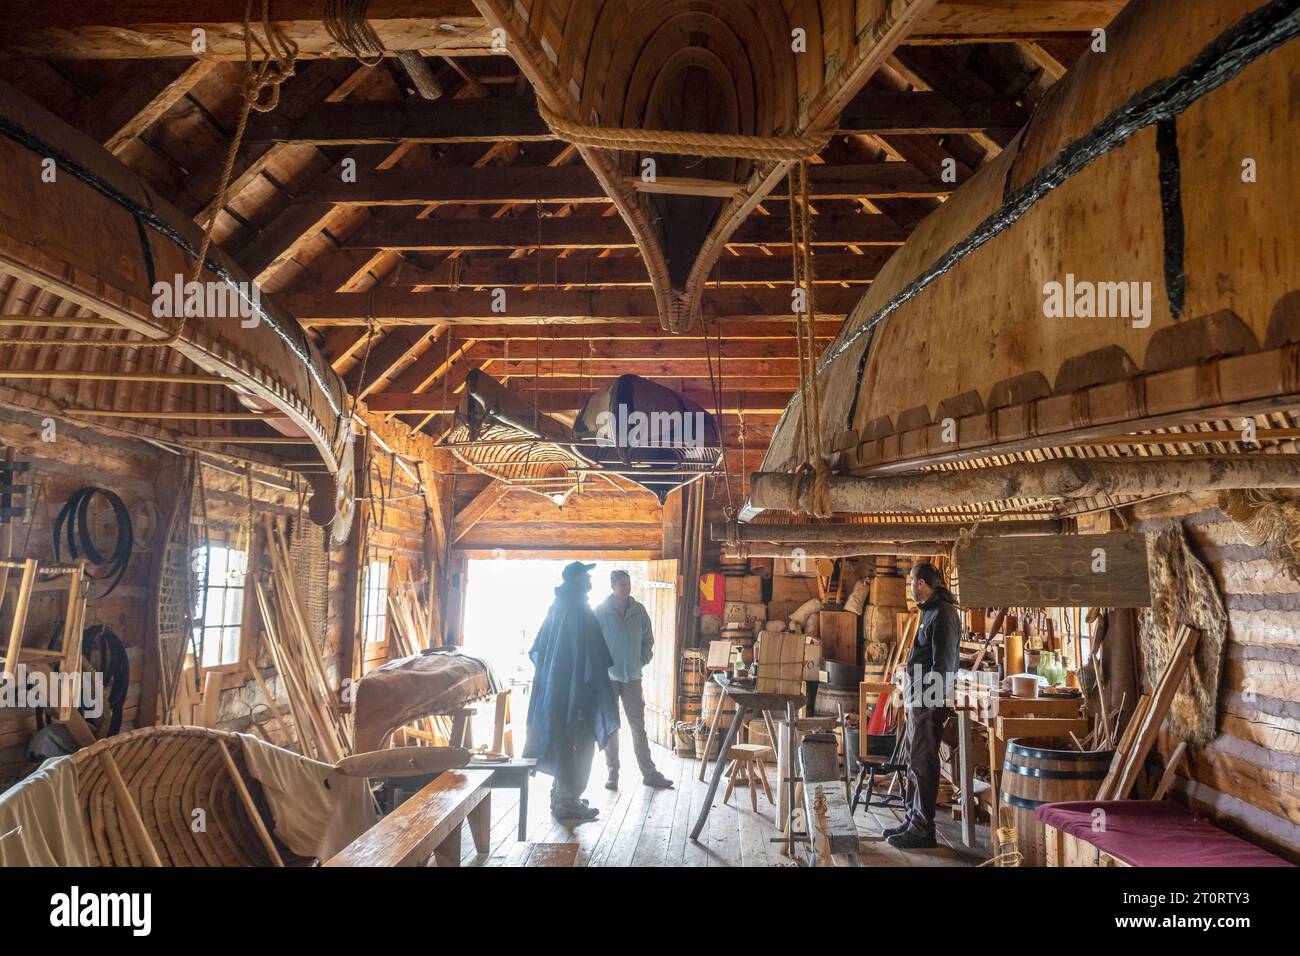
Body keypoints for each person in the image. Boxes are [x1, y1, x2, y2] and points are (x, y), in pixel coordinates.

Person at [522, 561, 621, 822]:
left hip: (558, 691)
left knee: (565, 740)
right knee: (580, 743)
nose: (590, 579)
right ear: (576, 579)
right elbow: (583, 657)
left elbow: (541, 651)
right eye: (586, 575)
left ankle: (562, 795)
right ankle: (568, 800)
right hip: (577, 693)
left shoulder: (557, 606)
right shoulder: (577, 609)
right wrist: (579, 694)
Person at [886, 561, 961, 849]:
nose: (909, 587)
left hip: (929, 701)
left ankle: (922, 829)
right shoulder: (931, 611)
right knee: (913, 761)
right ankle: (912, 818)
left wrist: (928, 702)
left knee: (923, 763)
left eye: (910, 582)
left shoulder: (942, 614)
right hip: (918, 698)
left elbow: (943, 665)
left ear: (920, 584)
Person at [594, 570, 675, 791]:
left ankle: (649, 773)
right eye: (622, 585)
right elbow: (592, 643)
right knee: (611, 728)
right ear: (613, 587)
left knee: (638, 727)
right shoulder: (600, 612)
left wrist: (642, 660)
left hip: (633, 678)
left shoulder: (638, 611)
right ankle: (613, 773)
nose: (626, 588)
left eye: (628, 584)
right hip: (609, 679)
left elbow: (648, 639)